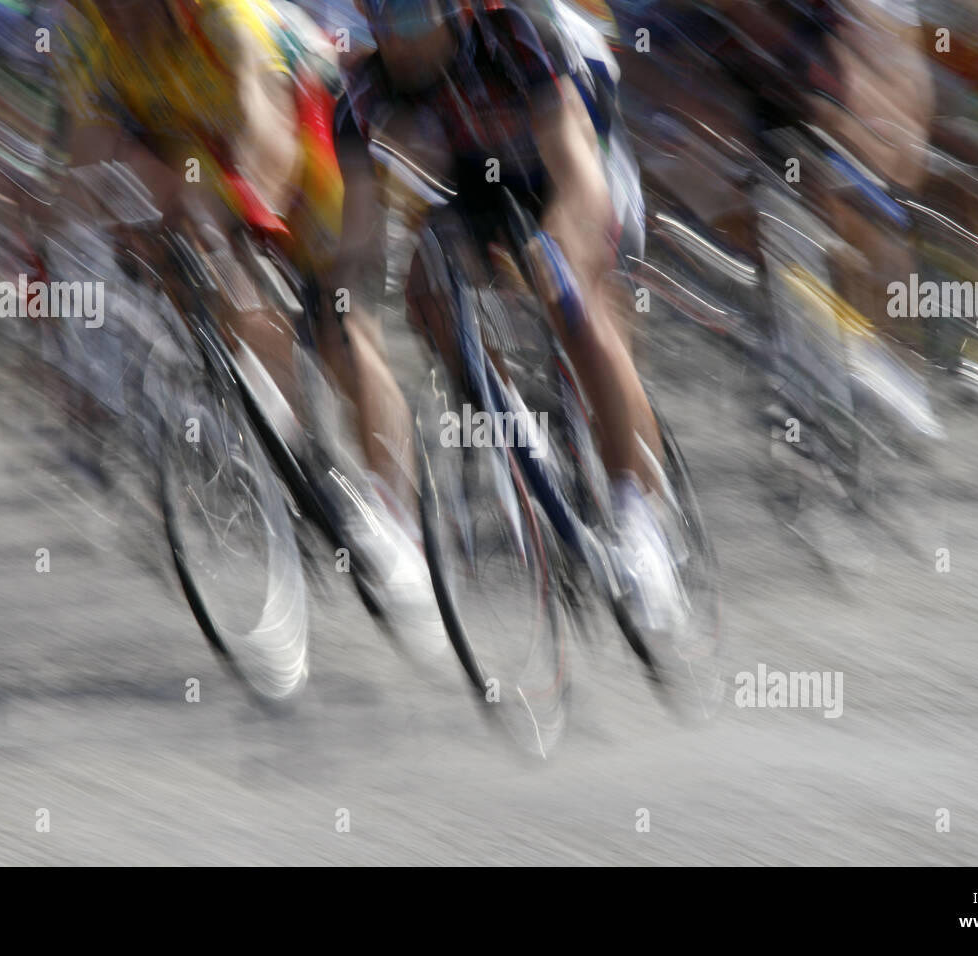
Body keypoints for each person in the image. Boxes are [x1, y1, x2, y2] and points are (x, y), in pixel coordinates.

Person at [53, 0, 447, 650]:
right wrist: (75, 246)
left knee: (341, 330)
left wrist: (242, 223)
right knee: (191, 254)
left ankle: (397, 529)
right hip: (194, 145)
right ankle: (280, 438)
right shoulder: (84, 35)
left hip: (309, 129)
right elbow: (89, 157)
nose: (118, 16)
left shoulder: (223, 17)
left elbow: (268, 141)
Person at [328, 0, 685, 631]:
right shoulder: (364, 92)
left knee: (574, 295)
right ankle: (514, 423)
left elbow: (581, 185)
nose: (398, 39)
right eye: (383, 20)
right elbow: (357, 249)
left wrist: (559, 259)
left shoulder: (520, 36)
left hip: (570, 150)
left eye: (413, 19)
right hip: (478, 170)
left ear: (456, 13)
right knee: (424, 289)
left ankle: (641, 523)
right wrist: (342, 310)